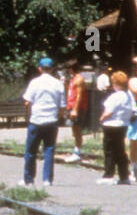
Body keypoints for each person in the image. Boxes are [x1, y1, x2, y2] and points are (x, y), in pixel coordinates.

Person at [22, 57, 66, 187]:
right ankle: (47, 179)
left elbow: (27, 102)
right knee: (49, 150)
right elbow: (62, 106)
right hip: (51, 121)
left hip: (36, 120)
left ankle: (29, 179)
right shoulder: (58, 84)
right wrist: (57, 117)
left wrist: (29, 116)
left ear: (39, 68)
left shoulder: (34, 83)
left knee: (30, 151)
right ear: (52, 69)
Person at [97, 70, 134, 185]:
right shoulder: (129, 96)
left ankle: (108, 175)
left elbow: (109, 111)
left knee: (109, 150)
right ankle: (124, 175)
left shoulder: (115, 96)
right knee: (120, 150)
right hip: (123, 125)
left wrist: (101, 118)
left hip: (111, 125)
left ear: (116, 83)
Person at [62, 60, 88, 162]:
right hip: (71, 106)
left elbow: (79, 95)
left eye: (68, 69)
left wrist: (75, 110)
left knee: (77, 130)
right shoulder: (73, 79)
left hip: (77, 108)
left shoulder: (79, 79)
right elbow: (71, 92)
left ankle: (77, 152)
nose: (67, 72)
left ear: (71, 69)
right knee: (74, 130)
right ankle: (76, 150)